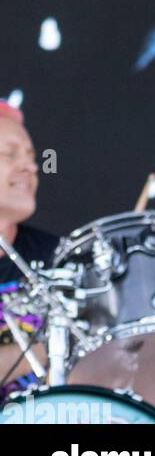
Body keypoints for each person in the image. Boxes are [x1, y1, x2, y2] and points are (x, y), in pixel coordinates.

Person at [0, 103, 59, 399]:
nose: (31, 166)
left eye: (31, 156)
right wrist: (54, 348)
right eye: (9, 154)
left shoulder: (61, 258)